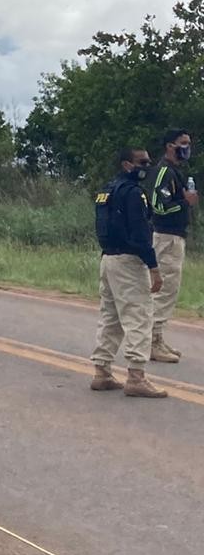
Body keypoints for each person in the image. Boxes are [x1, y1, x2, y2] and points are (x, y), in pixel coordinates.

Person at [91, 147, 168, 398]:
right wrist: (153, 267)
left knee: (111, 316)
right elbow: (140, 232)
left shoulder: (107, 190)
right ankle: (136, 376)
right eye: (141, 162)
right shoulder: (134, 193)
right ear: (127, 165)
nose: (146, 165)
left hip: (108, 259)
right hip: (128, 261)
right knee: (139, 315)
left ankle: (102, 371)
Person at [148, 129, 196, 363]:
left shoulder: (177, 172)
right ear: (170, 146)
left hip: (175, 236)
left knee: (170, 289)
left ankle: (157, 337)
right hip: (166, 237)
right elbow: (159, 206)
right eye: (183, 143)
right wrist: (183, 203)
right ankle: (152, 341)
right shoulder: (164, 172)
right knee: (164, 289)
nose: (187, 147)